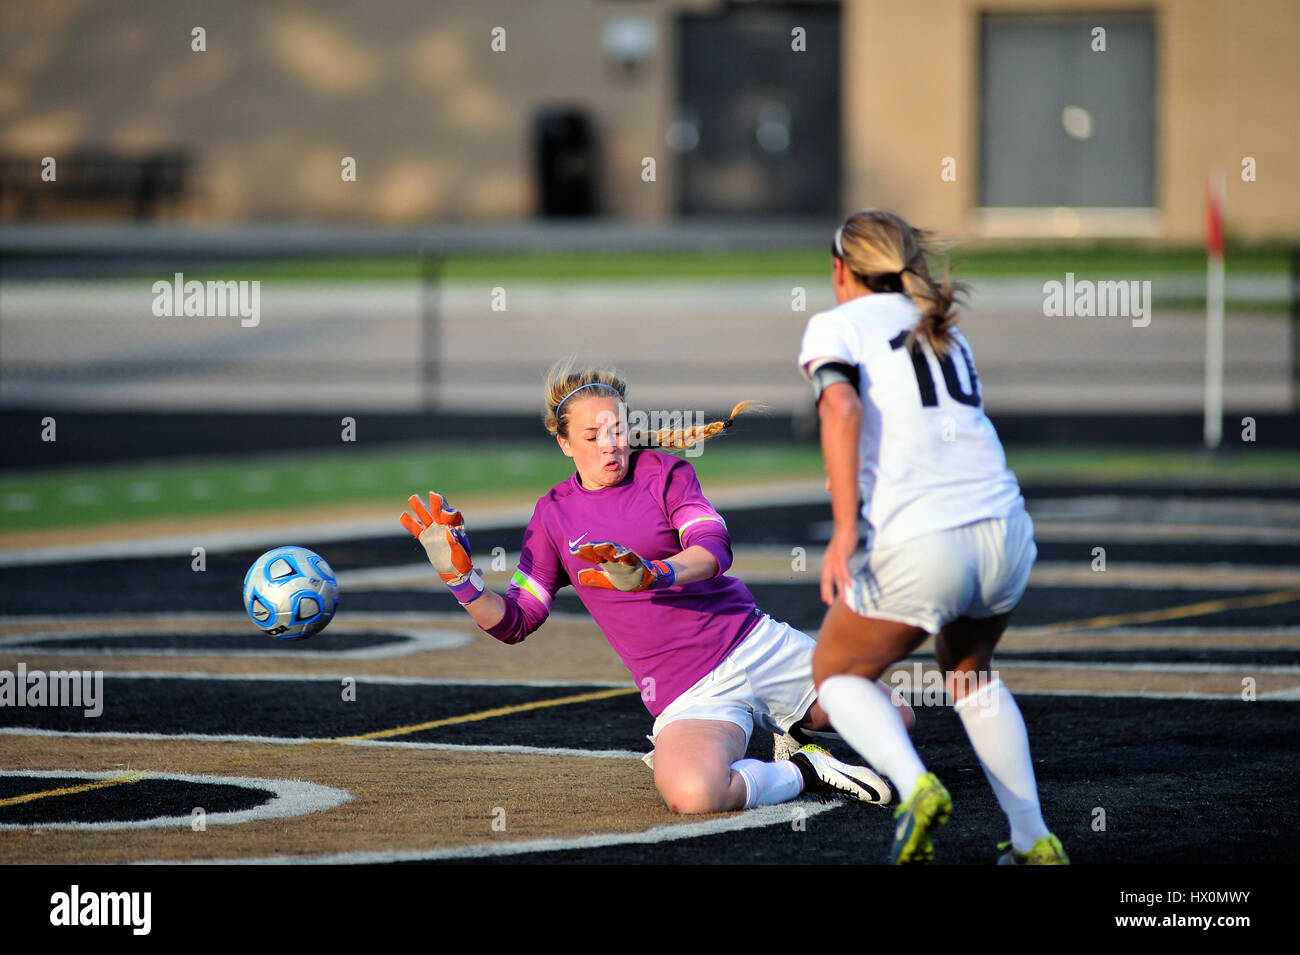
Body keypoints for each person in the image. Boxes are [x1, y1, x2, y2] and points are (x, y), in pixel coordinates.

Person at [399, 358, 914, 815]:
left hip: (752, 644)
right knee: (694, 796)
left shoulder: (664, 473)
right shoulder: (551, 515)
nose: (611, 445)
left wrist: (654, 574)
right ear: (564, 444)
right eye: (593, 436)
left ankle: (794, 724)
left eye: (617, 429)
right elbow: (515, 622)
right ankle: (805, 769)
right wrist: (459, 579)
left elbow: (714, 548)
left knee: (896, 718)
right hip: (687, 692)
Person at [798, 209, 1069, 864]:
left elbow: (841, 406)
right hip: (1007, 532)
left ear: (841, 269)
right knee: (971, 676)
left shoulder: (837, 324)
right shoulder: (943, 326)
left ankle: (915, 785)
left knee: (834, 674)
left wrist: (841, 533)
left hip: (926, 540)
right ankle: (1035, 840)